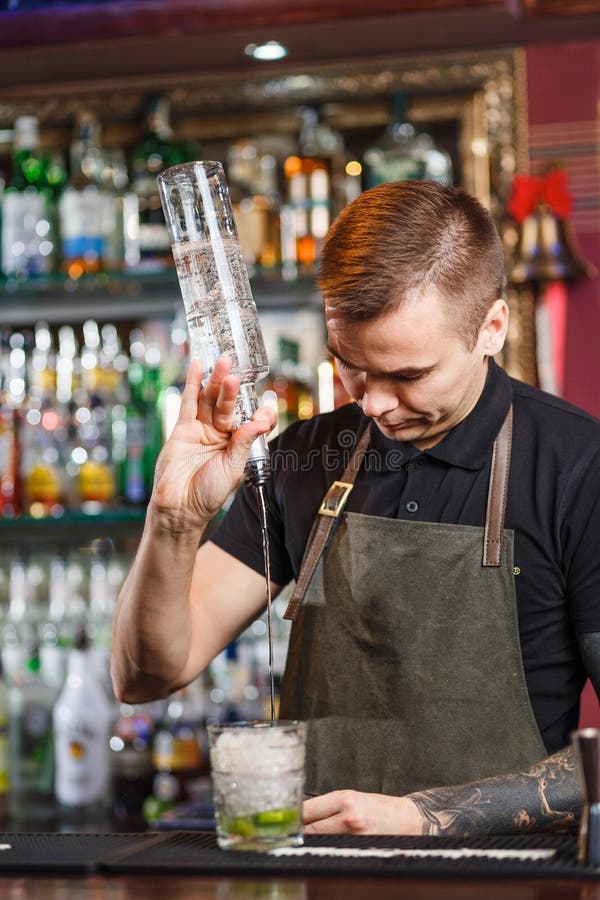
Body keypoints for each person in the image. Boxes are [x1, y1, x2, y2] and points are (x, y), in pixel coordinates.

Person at [111, 179, 600, 837]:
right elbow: (145, 676)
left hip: (509, 875)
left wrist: (425, 817)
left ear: (492, 328)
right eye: (350, 365)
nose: (372, 404)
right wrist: (173, 520)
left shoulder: (578, 467)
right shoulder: (303, 457)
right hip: (319, 870)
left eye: (409, 375)